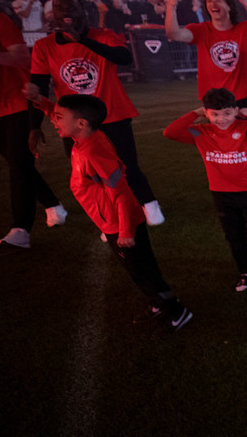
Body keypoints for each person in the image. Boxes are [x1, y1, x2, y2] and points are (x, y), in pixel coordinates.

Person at [31, 93, 191, 331]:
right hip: (112, 222)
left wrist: (125, 231)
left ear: (81, 123)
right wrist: (42, 102)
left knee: (143, 271)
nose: (54, 121)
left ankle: (177, 311)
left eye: (58, 118)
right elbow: (67, 113)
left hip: (121, 224)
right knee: (137, 269)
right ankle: (159, 304)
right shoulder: (85, 138)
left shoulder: (94, 152)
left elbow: (122, 193)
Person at [30, 0, 165, 225]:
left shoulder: (104, 36)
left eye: (71, 12)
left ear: (82, 13)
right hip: (75, 123)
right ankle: (110, 218)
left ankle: (148, 203)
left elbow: (124, 58)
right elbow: (39, 88)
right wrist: (34, 126)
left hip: (113, 113)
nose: (68, 18)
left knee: (127, 165)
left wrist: (82, 40)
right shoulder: (44, 47)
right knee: (89, 175)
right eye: (62, 13)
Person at [163, 88, 247, 291]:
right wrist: (195, 113)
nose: (221, 119)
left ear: (236, 111)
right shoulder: (201, 132)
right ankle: (245, 272)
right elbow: (169, 132)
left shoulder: (246, 128)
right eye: (214, 114)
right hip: (222, 194)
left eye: (227, 113)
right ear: (206, 113)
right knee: (234, 237)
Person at [164, 0, 247, 189]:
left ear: (228, 5)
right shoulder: (201, 30)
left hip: (244, 95)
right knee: (220, 140)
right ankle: (227, 176)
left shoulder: (243, 28)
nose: (213, 4)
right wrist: (171, 4)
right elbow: (173, 33)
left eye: (218, 0)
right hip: (214, 99)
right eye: (209, 1)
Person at [0, 8, 66, 248]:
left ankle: (21, 229)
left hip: (15, 102)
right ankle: (53, 205)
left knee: (19, 167)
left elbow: (22, 58)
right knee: (18, 164)